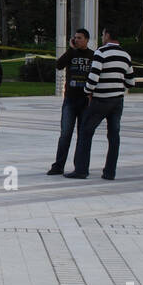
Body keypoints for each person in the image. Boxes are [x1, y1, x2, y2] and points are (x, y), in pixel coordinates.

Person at [70, 28, 135, 179]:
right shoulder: (125, 55)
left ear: (107, 35)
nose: (102, 37)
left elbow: (93, 78)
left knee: (85, 132)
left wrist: (87, 91)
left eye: (103, 34)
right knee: (114, 136)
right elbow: (131, 82)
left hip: (100, 99)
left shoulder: (101, 53)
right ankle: (109, 171)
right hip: (117, 100)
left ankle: (81, 170)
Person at [48, 28, 95, 175]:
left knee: (83, 135)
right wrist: (70, 49)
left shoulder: (93, 56)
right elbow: (59, 65)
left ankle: (80, 167)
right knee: (65, 133)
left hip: (85, 101)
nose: (76, 40)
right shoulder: (71, 53)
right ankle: (58, 166)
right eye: (75, 37)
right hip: (70, 99)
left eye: (80, 38)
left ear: (87, 40)